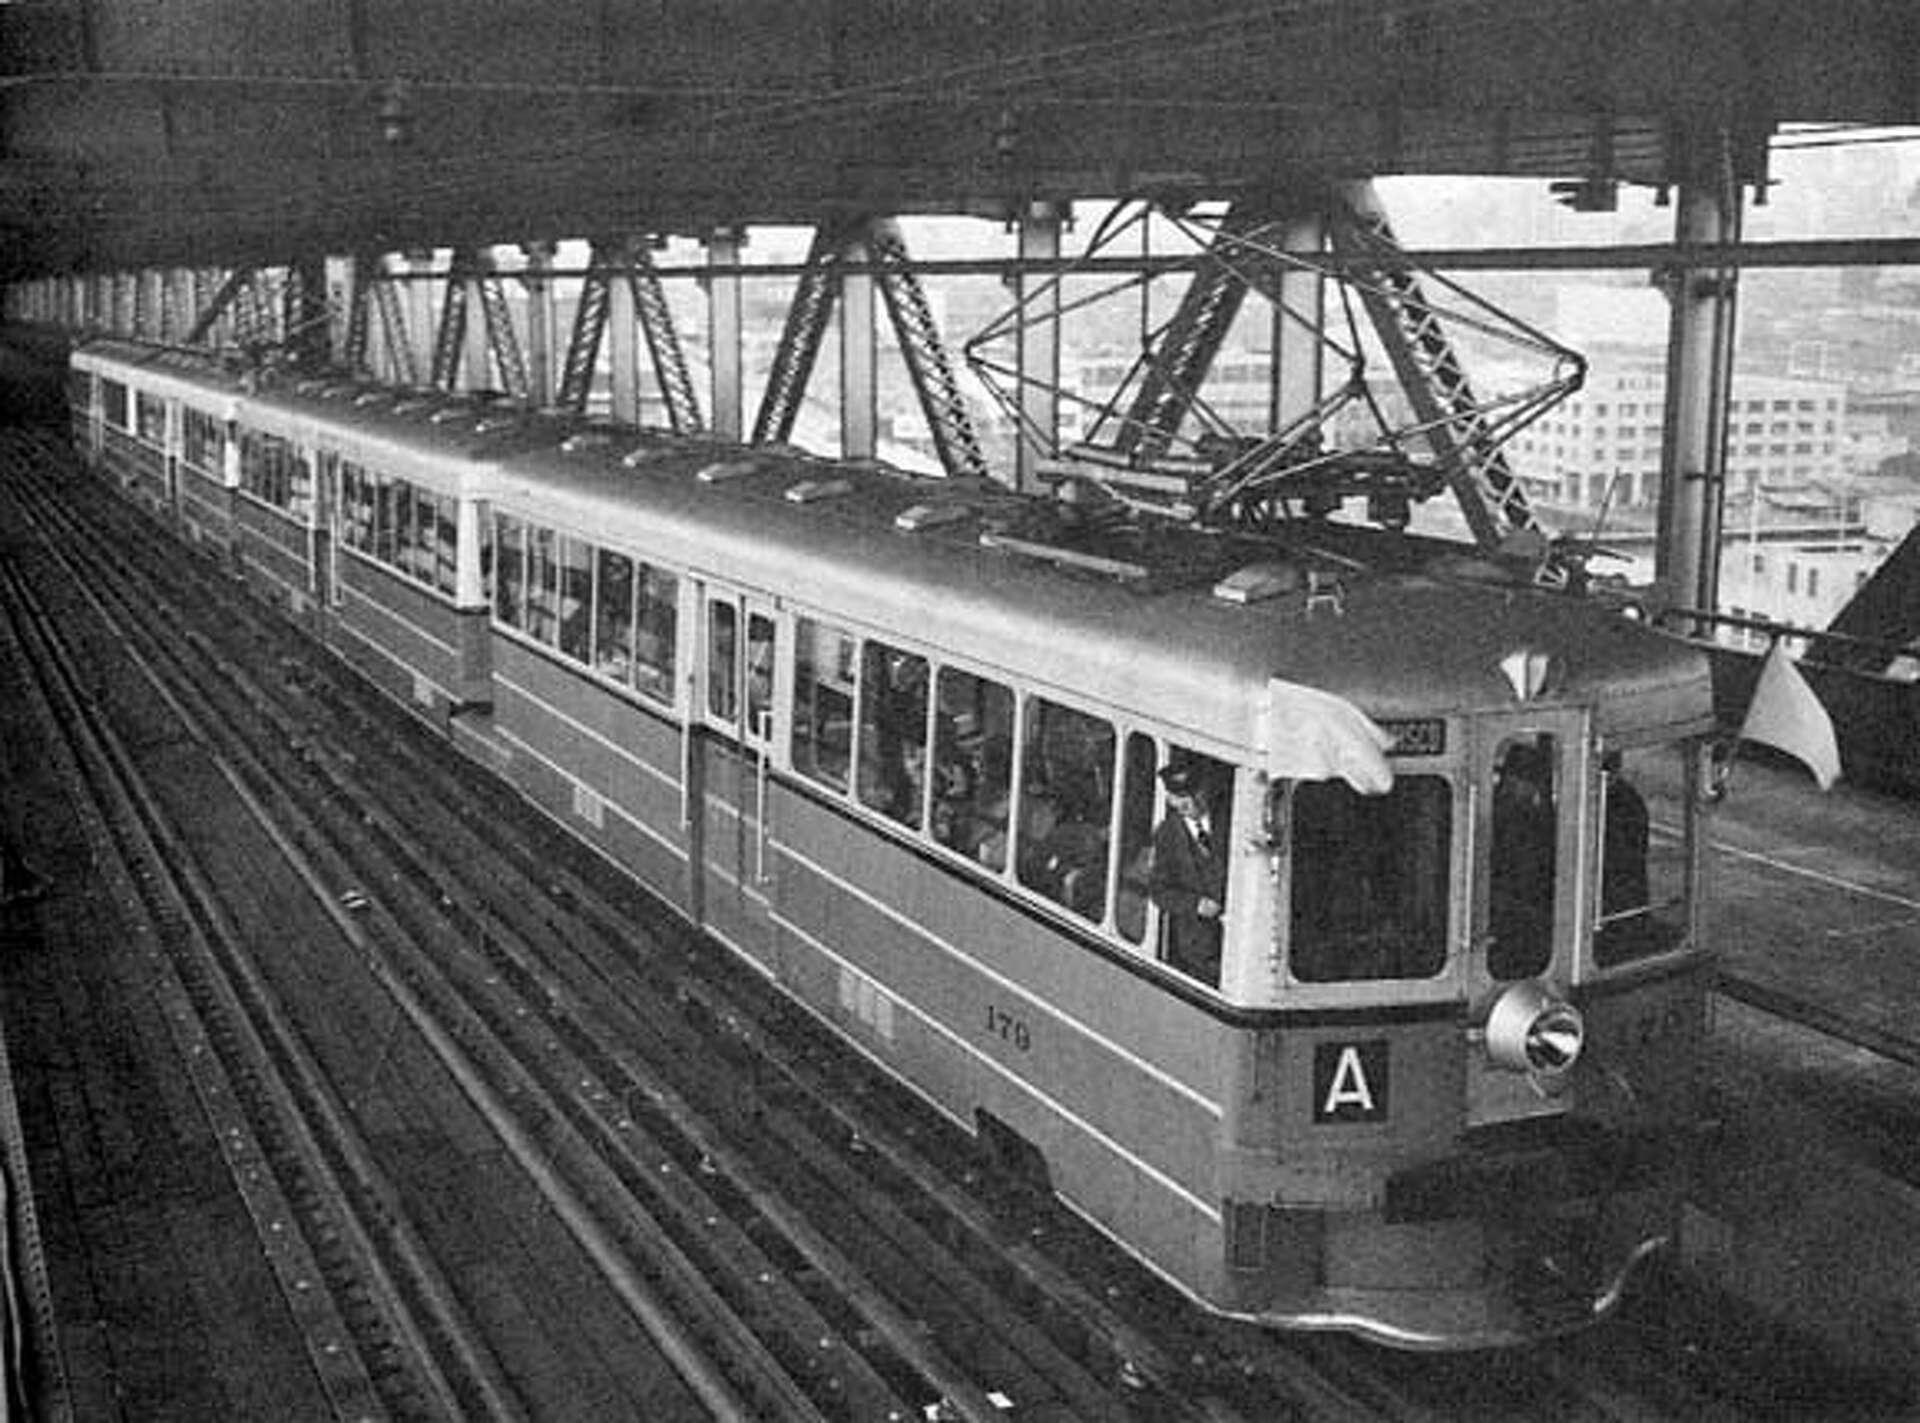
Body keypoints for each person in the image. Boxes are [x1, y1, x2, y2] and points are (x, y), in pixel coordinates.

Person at [1150, 758, 1227, 985]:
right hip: (1198, 950)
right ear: (1170, 799)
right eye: (1182, 797)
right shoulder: (1167, 835)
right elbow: (1159, 891)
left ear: (1204, 791)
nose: (1190, 803)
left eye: (1194, 794)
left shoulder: (1231, 822)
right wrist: (1196, 904)